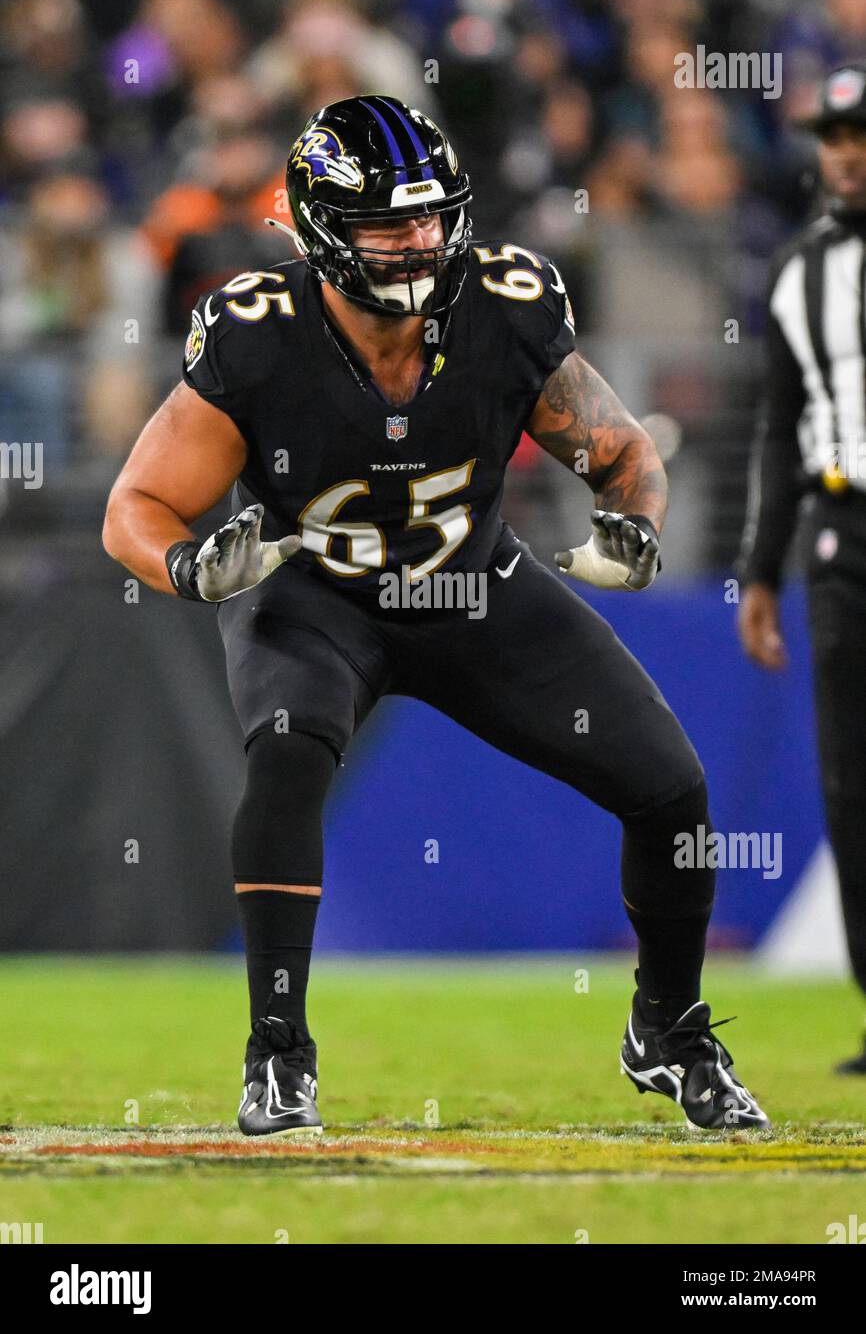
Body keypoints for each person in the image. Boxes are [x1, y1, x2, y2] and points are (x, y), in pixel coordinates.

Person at [104, 95, 768, 1134]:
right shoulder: (257, 335)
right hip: (310, 591)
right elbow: (132, 508)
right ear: (323, 227)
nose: (418, 241)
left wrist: (631, 525)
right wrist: (189, 566)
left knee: (670, 788)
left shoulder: (501, 304)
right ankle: (277, 1052)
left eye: (429, 216)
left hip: (472, 586)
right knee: (285, 756)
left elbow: (624, 452)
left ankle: (668, 1028)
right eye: (387, 222)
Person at [738, 63, 866, 1075]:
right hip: (838, 531)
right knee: (848, 777)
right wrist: (757, 570)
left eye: (860, 133)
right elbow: (778, 426)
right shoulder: (794, 270)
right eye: (834, 136)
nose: (848, 151)